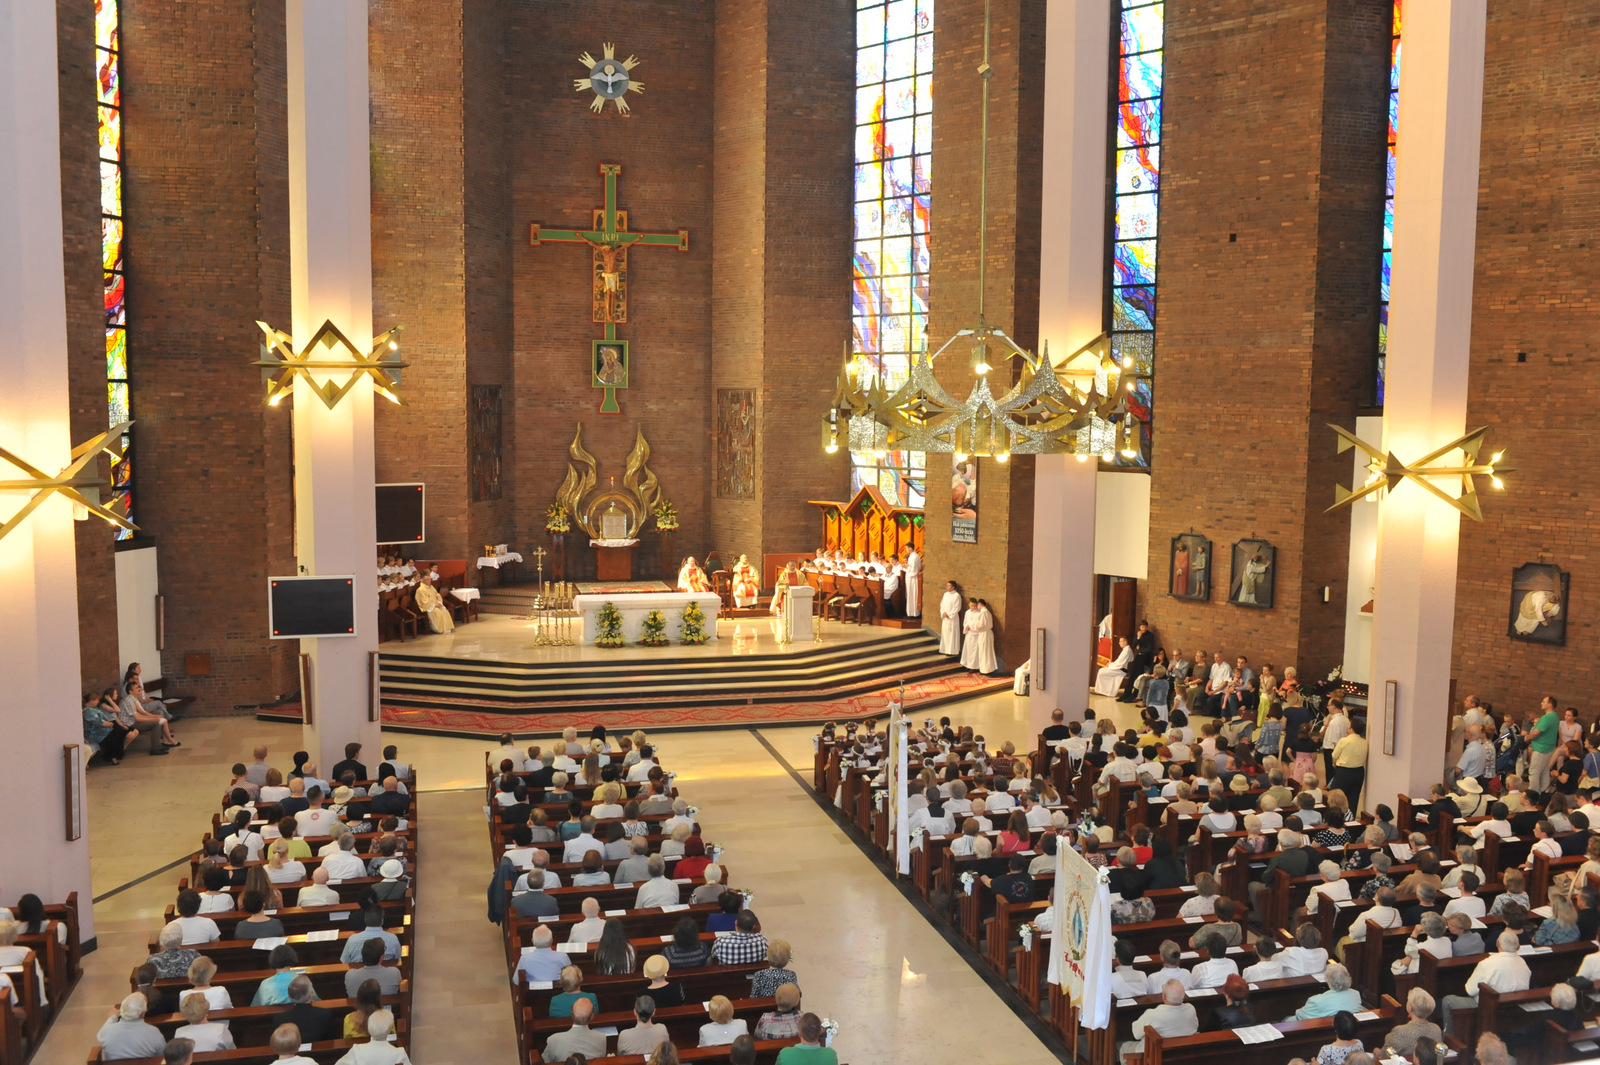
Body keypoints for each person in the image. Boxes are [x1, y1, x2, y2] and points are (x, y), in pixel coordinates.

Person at [1439, 931, 1532, 1033]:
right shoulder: (1524, 964)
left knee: (1447, 1001)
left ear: (1497, 943)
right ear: (1518, 947)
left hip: (1488, 1006)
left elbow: (1470, 990)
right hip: (1513, 1007)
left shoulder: (1487, 963)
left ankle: (1448, 1038)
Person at [1120, 980, 1198, 1063]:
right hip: (1182, 1054)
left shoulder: (1152, 1014)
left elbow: (1136, 1034)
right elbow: (1195, 1028)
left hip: (1153, 1056)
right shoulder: (1191, 1009)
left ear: (1163, 996)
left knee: (1124, 1047)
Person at [541, 996, 605, 1063]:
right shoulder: (601, 1038)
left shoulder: (554, 1040)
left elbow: (545, 1061)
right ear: (592, 1016)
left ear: (571, 1014)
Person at [1383, 987, 1442, 1056]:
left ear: (1410, 1007)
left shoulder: (1400, 1031)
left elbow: (1384, 1055)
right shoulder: (1436, 1029)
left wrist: (1376, 1051)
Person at [278, 975, 336, 1043]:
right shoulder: (324, 1015)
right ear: (310, 996)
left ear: (290, 997)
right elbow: (331, 1040)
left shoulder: (280, 1019)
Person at [1296, 963, 1362, 1018]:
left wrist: (1299, 1010)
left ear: (1328, 980)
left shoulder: (1315, 1001)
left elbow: (1301, 1016)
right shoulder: (1356, 994)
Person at [1526, 696, 1562, 794]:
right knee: (1545, 771)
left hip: (1541, 748)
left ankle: (1532, 793)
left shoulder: (1547, 718)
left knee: (1534, 772)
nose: (1541, 703)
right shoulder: (1555, 716)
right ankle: (1544, 792)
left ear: (1549, 705)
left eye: (1543, 702)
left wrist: (1527, 737)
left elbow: (1536, 732)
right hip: (1549, 747)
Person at [960, 598, 997, 674]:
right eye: (971, 605)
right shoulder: (969, 612)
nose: (973, 607)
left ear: (978, 605)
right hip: (972, 633)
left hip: (978, 634)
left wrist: (972, 627)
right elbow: (966, 622)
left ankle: (977, 667)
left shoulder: (981, 613)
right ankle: (969, 665)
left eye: (975, 605)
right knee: (975, 651)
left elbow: (980, 625)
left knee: (982, 652)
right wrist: (966, 626)